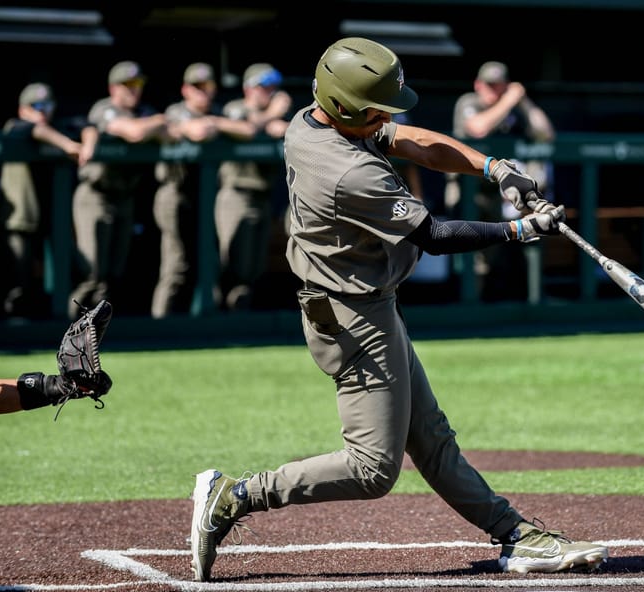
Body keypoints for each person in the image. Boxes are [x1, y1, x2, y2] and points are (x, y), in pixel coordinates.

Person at [189, 37, 607, 583]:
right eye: (376, 110)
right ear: (345, 106)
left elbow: (415, 142)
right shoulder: (348, 171)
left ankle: (515, 535)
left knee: (430, 437)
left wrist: (495, 168)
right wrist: (520, 229)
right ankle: (235, 494)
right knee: (372, 468)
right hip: (351, 316)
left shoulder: (310, 121)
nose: (386, 118)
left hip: (368, 303)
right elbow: (433, 235)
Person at [151, 63, 257, 318]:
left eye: (207, 87)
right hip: (175, 193)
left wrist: (216, 122)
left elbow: (248, 130)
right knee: (177, 265)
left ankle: (196, 322)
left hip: (206, 196)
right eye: (197, 87)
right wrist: (212, 125)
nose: (203, 92)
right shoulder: (176, 111)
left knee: (209, 263)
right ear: (186, 89)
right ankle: (162, 325)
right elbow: (197, 132)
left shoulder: (217, 112)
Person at [447, 61, 556, 301]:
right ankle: (467, 306)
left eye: (498, 86)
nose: (493, 90)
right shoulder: (469, 102)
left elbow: (545, 134)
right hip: (468, 192)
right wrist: (508, 100)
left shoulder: (514, 107)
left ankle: (491, 304)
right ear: (478, 84)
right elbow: (478, 129)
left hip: (498, 195)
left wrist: (523, 101)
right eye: (489, 85)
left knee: (496, 255)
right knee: (469, 253)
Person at [68, 61, 169, 318]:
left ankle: (97, 332)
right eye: (128, 85)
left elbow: (173, 134)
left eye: (138, 84)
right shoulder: (104, 109)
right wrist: (159, 121)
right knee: (91, 273)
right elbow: (134, 132)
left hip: (124, 197)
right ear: (113, 88)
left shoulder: (145, 111)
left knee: (113, 275)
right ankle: (67, 327)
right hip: (95, 195)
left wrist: (156, 124)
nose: (134, 90)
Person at [214, 62, 292, 311]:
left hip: (261, 197)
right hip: (235, 194)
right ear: (249, 88)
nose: (269, 92)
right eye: (263, 86)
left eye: (272, 87)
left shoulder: (270, 117)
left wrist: (280, 123)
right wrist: (274, 114)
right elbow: (248, 128)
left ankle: (240, 317)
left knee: (253, 269)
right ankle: (219, 319)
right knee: (232, 264)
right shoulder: (236, 107)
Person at [1, 83, 81, 318]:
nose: (43, 111)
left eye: (47, 106)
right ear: (23, 109)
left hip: (47, 219)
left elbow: (84, 125)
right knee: (18, 278)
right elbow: (35, 130)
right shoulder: (15, 127)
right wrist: (68, 145)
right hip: (19, 219)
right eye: (36, 106)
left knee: (52, 277)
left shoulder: (58, 128)